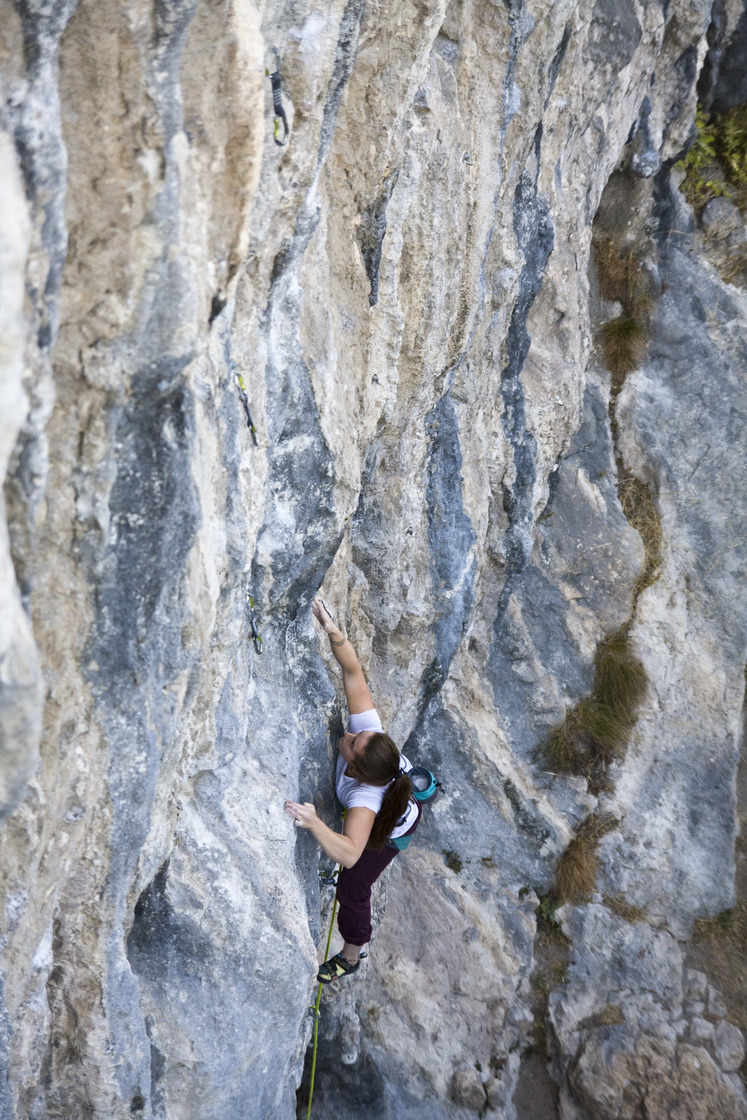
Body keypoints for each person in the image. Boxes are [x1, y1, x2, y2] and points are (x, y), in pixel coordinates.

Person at [284, 598, 420, 983]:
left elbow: (348, 854)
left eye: (354, 742)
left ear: (356, 772)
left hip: (395, 826)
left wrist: (313, 822)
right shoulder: (370, 737)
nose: (351, 733)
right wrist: (334, 631)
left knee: (353, 885)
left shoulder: (365, 801)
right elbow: (354, 674)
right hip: (389, 793)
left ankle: (352, 954)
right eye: (360, 734)